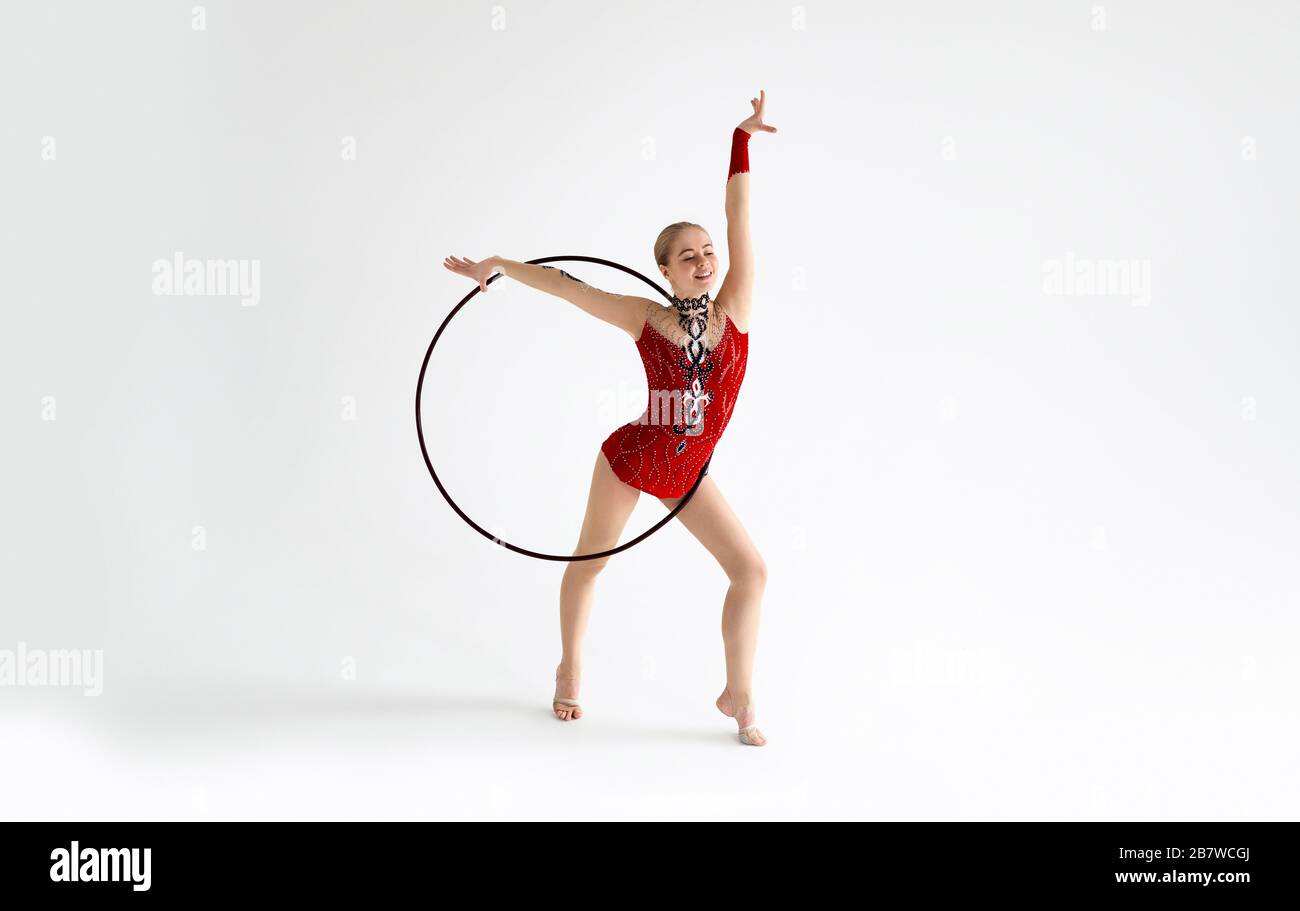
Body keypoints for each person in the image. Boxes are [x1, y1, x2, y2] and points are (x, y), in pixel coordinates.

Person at [443, 90, 777, 746]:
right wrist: (499, 267)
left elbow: (739, 213)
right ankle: (569, 665)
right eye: (688, 255)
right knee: (590, 563)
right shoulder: (644, 315)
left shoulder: (735, 305)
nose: (705, 259)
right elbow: (572, 289)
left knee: (752, 571)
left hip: (686, 471)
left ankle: (737, 692)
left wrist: (740, 137)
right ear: (664, 270)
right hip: (633, 458)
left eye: (707, 250)